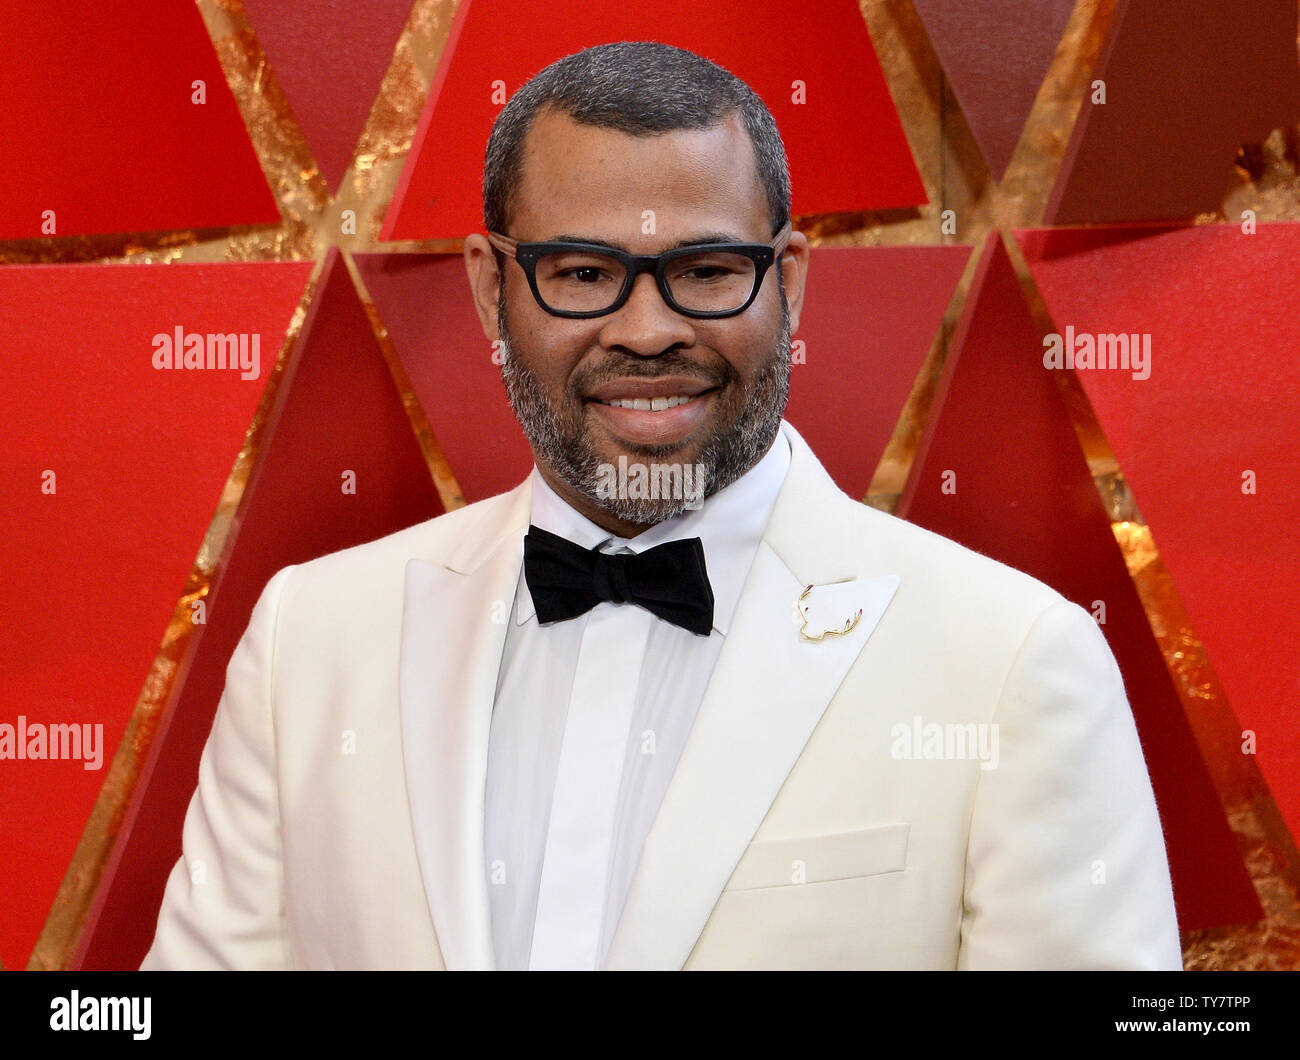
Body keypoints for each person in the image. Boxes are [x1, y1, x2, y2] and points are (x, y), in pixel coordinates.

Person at [142, 41, 1181, 970]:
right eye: (584, 272)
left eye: (706, 269)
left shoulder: (1011, 660)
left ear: (789, 283)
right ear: (486, 287)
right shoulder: (307, 641)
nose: (647, 329)